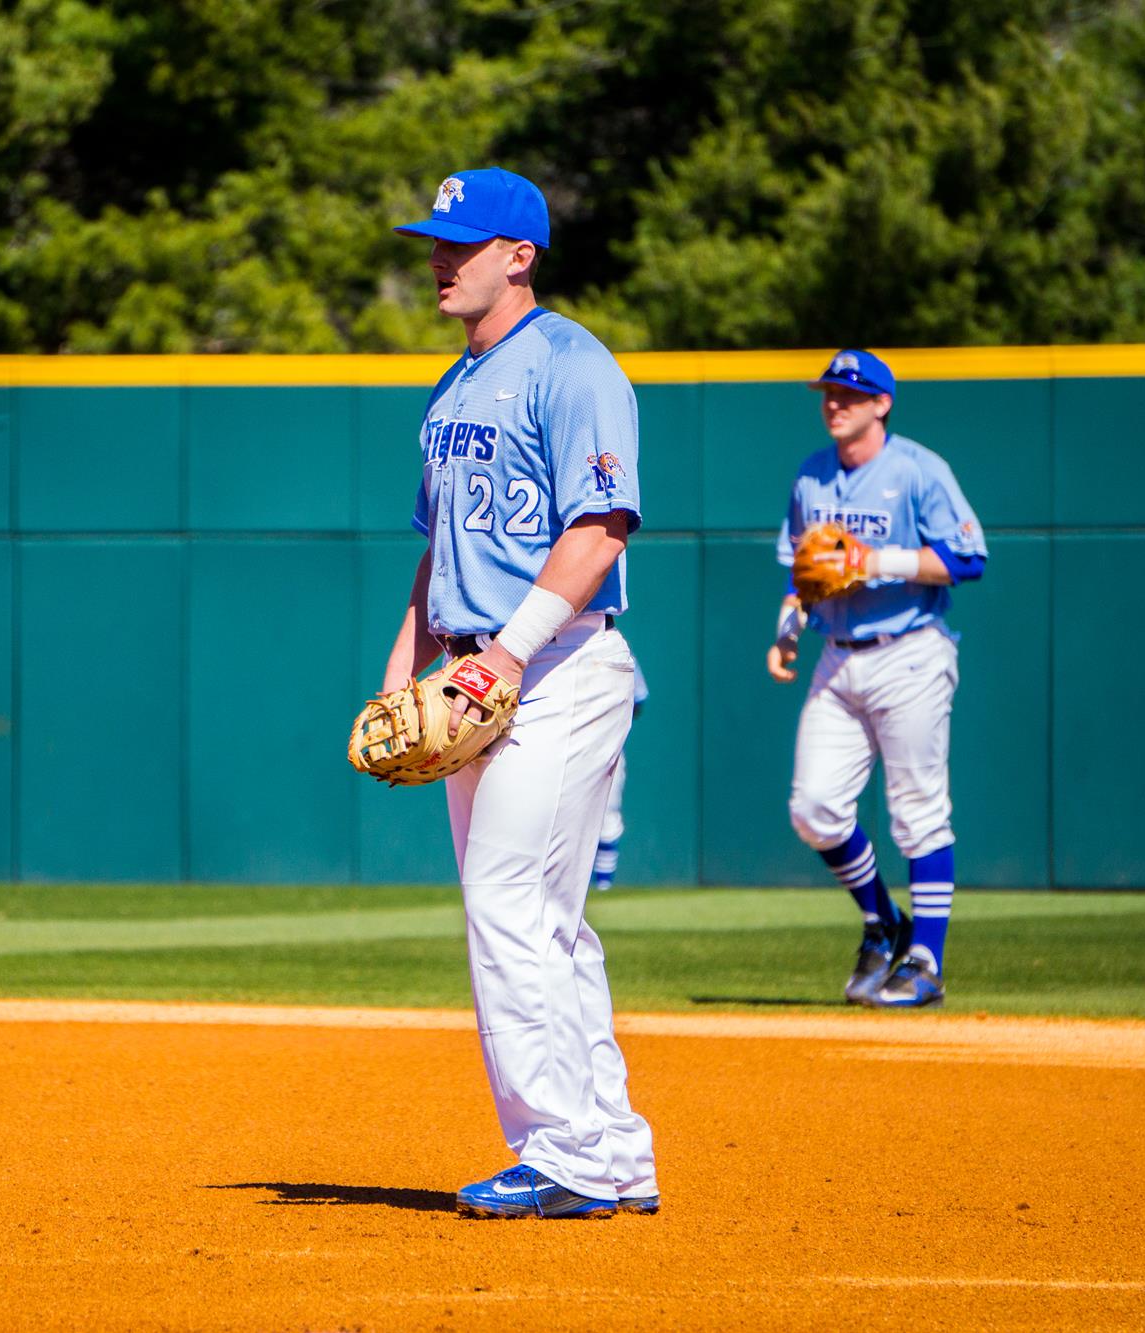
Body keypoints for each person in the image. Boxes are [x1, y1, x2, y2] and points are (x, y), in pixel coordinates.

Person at [382, 167, 657, 1219]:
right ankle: (608, 1148)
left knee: (506, 902)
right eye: (434, 242)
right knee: (540, 917)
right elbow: (432, 553)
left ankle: (564, 1150)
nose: (440, 259)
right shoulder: (449, 389)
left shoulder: (572, 364)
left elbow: (600, 528)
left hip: (555, 666)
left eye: (463, 243)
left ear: (519, 255)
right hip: (468, 672)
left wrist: (503, 655)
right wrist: (403, 668)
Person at [766, 349, 988, 1009]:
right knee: (813, 809)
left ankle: (926, 960)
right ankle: (882, 920)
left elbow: (969, 557)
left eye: (849, 394)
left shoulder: (919, 469)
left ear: (881, 404)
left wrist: (875, 560)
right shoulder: (812, 475)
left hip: (910, 650)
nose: (834, 403)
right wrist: (785, 632)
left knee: (918, 810)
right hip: (836, 651)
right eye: (829, 393)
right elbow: (801, 570)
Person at [591, 664, 649, 892]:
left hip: (606, 745)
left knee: (608, 816)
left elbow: (639, 699)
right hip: (562, 744)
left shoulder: (618, 650)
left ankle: (604, 887)